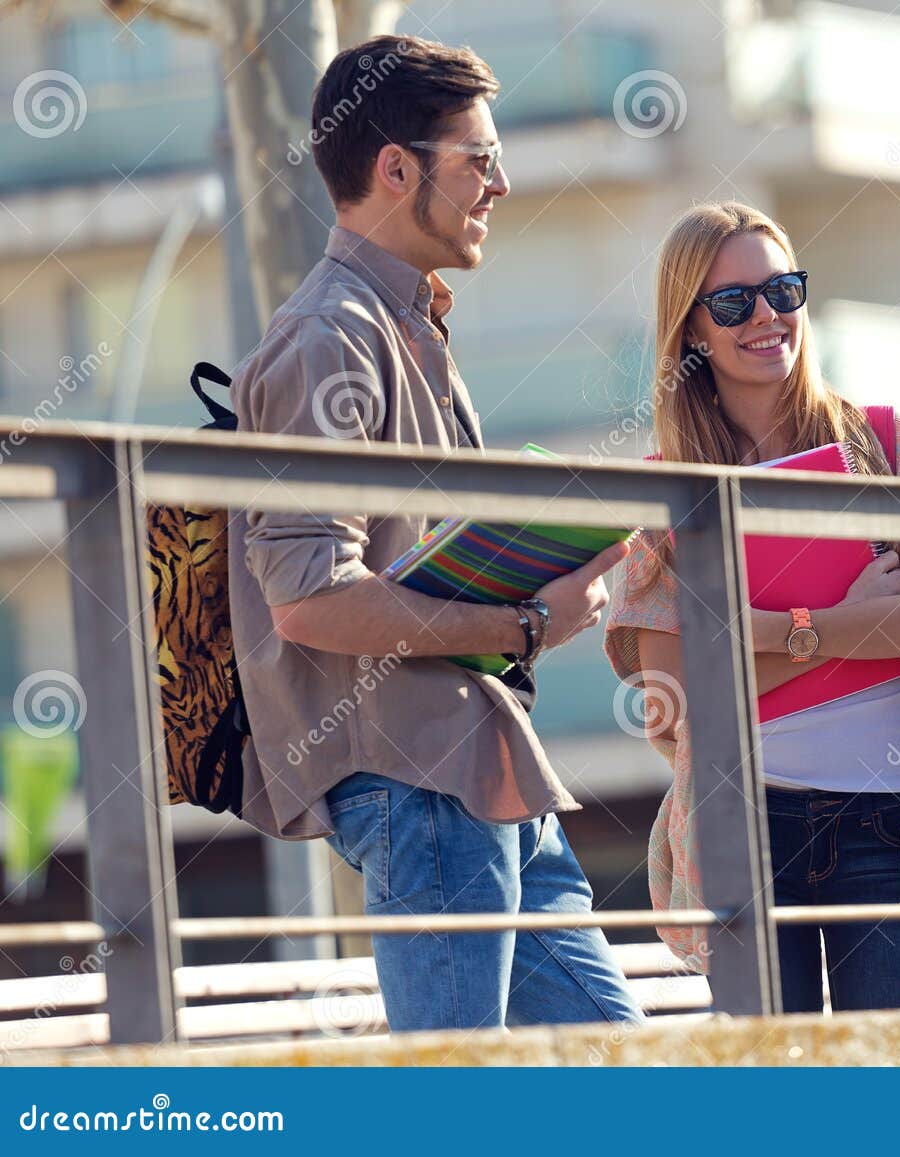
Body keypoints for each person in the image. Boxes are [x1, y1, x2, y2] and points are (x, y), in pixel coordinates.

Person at [226, 35, 641, 1031]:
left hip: (477, 772)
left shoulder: (401, 322)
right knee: (457, 1100)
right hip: (422, 789)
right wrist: (523, 622)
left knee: (623, 1073)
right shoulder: (332, 334)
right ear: (395, 167)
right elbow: (311, 597)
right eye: (479, 160)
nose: (500, 184)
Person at [603, 202, 900, 1012]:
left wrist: (753, 639)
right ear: (691, 333)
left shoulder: (882, 443)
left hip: (892, 822)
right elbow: (676, 705)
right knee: (767, 1089)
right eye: (732, 302)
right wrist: (848, 624)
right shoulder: (668, 491)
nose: (766, 316)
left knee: (894, 1085)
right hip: (743, 822)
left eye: (782, 289)